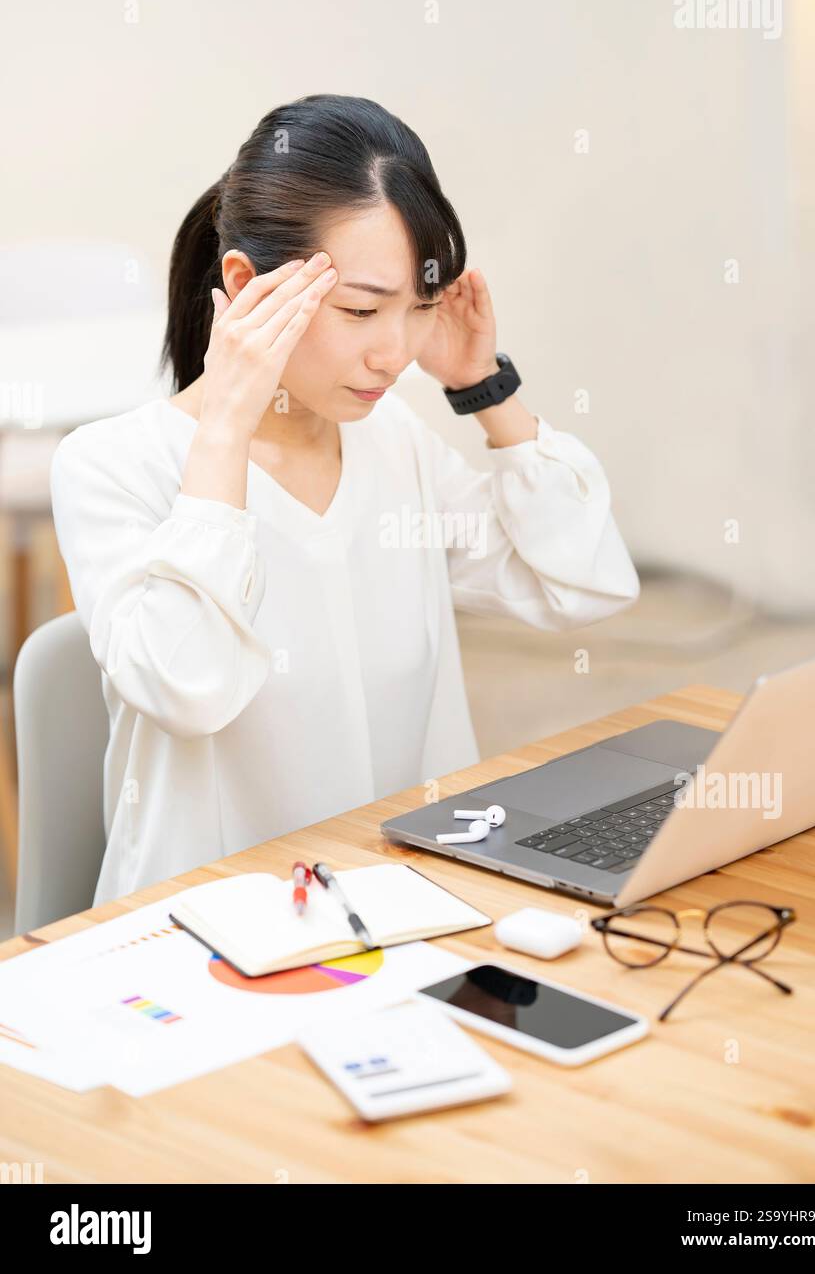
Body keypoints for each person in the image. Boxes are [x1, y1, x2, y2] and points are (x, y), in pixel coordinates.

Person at [50, 93, 640, 906]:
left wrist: (482, 386)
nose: (395, 351)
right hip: (207, 936)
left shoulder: (392, 443)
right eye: (362, 309)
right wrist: (224, 426)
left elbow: (581, 584)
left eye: (418, 309)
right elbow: (193, 688)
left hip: (404, 907)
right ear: (244, 286)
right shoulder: (111, 465)